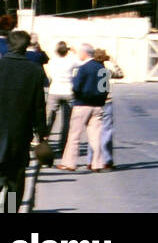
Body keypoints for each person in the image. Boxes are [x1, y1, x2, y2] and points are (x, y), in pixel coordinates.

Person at [0, 29, 48, 213]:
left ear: (9, 45)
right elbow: (38, 106)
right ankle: (11, 210)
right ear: (26, 46)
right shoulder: (35, 71)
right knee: (15, 177)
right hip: (20, 132)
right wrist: (42, 132)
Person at [58, 44, 107, 172]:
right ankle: (97, 163)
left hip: (82, 104)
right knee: (95, 136)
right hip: (98, 106)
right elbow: (105, 88)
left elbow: (76, 86)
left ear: (85, 53)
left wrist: (77, 96)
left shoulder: (83, 68)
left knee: (74, 136)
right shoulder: (102, 68)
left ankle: (69, 163)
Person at [85, 50, 121, 170]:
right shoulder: (106, 71)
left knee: (92, 132)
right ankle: (106, 160)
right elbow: (120, 74)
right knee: (106, 132)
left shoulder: (88, 69)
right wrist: (113, 62)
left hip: (91, 103)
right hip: (105, 102)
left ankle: (91, 160)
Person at [45, 41, 76, 154]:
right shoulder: (71, 60)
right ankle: (63, 145)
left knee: (49, 117)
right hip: (68, 90)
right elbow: (81, 63)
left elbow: (50, 74)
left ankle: (45, 140)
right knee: (67, 120)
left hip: (55, 89)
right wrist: (73, 52)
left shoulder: (53, 61)